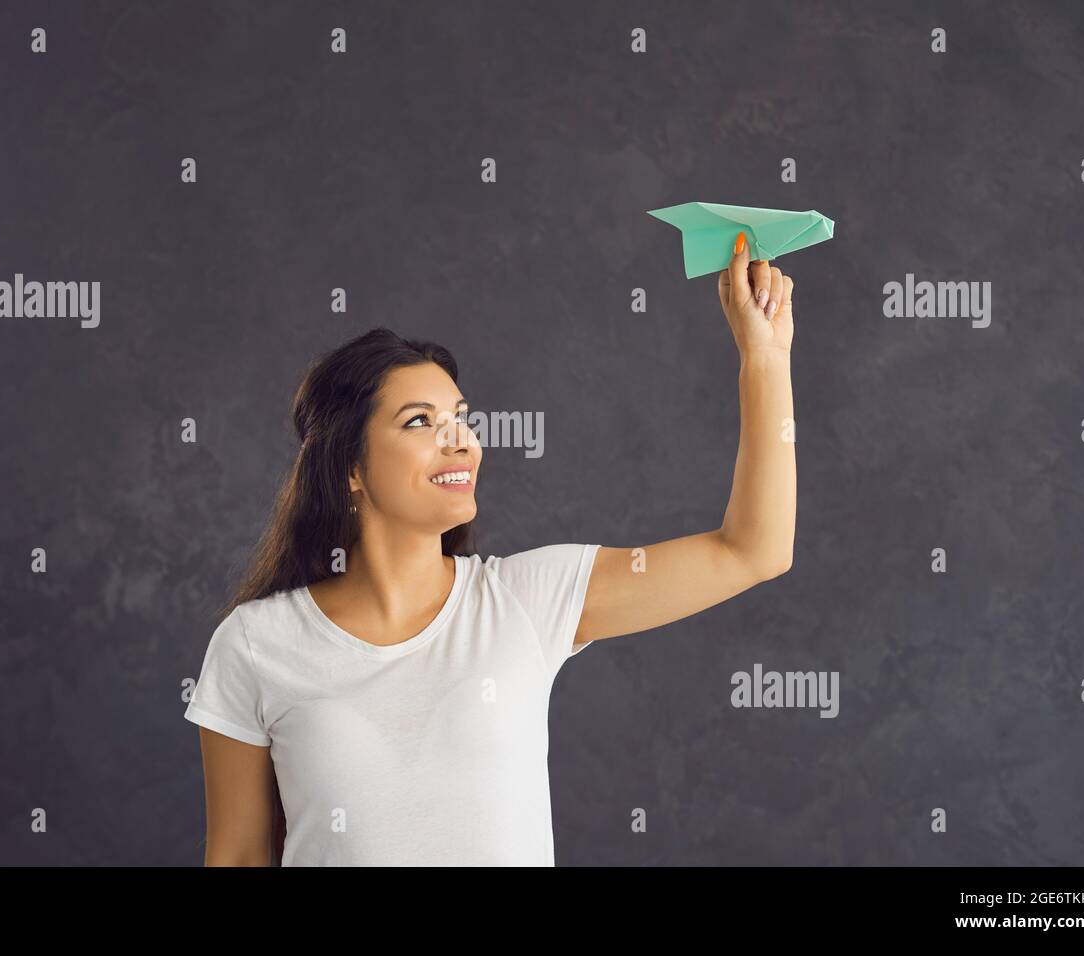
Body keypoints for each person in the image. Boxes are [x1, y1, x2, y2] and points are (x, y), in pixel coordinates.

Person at [184, 232, 796, 865]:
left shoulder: (528, 601)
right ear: (350, 469)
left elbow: (754, 551)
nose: (462, 442)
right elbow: (237, 854)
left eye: (461, 418)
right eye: (420, 421)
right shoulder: (255, 644)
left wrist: (766, 356)